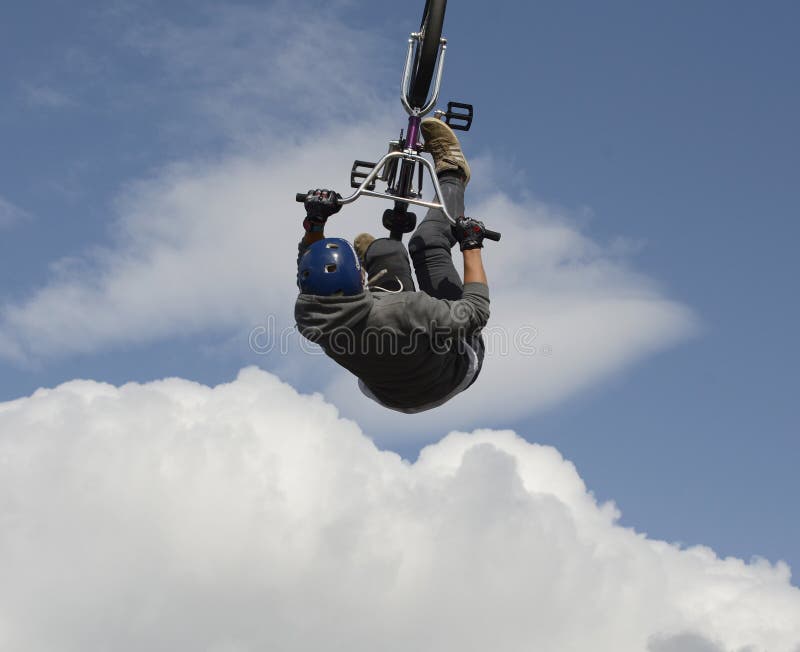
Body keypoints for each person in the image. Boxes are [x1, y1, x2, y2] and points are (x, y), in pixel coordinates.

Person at [294, 118, 491, 413]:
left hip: (387, 390)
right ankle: (452, 172)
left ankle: (378, 256)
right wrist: (471, 245)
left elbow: (308, 265)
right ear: (359, 280)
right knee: (426, 244)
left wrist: (315, 221)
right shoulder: (404, 309)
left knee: (388, 251)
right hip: (454, 370)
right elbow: (475, 314)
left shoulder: (311, 318)